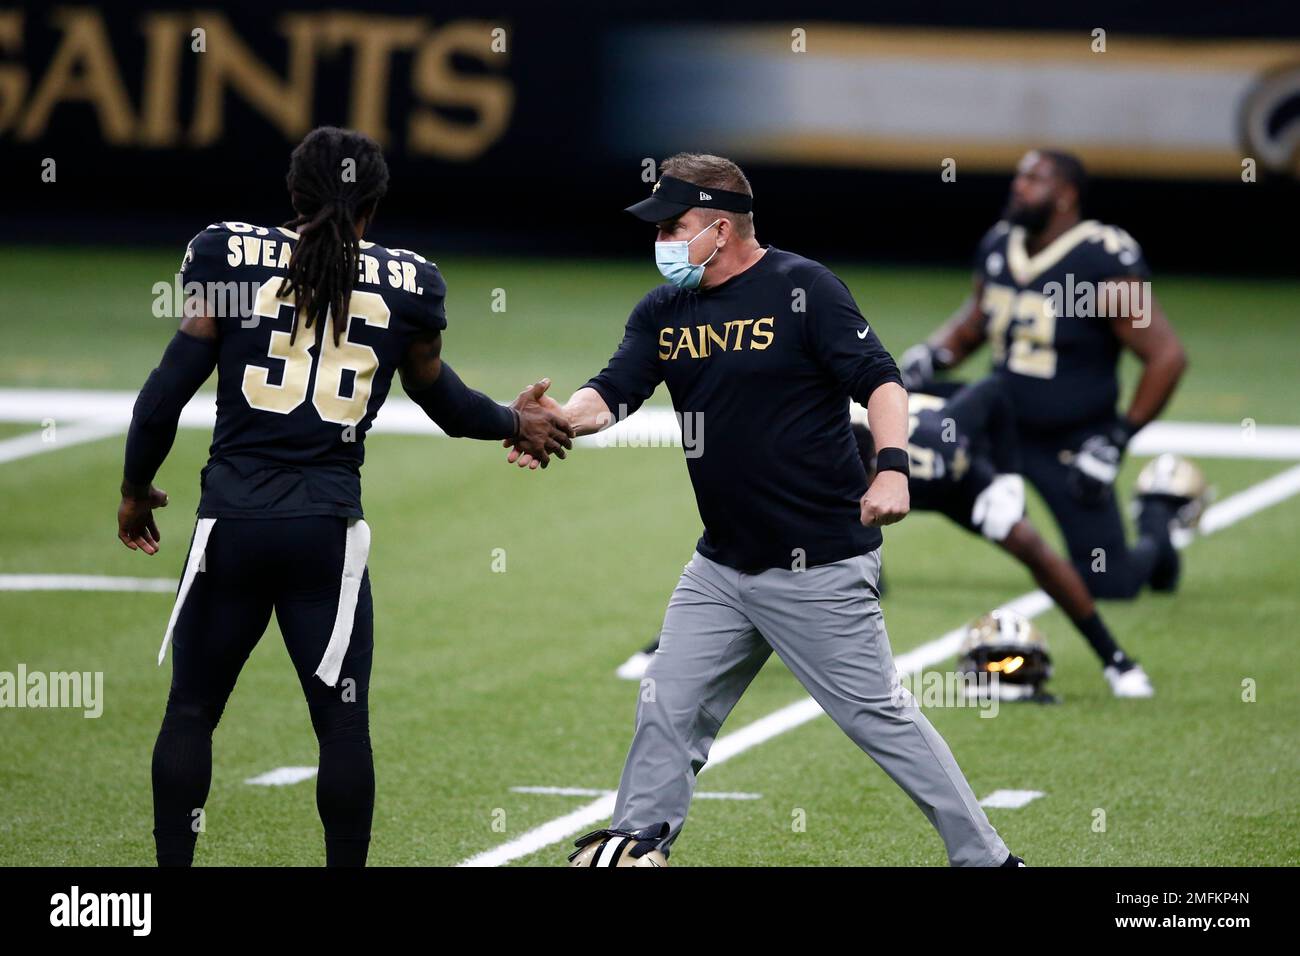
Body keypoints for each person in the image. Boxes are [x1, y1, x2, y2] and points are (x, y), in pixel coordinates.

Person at [510, 153, 1020, 867]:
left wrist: (893, 468)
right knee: (668, 705)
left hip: (819, 560)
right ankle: (637, 846)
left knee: (880, 720)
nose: (661, 240)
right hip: (721, 563)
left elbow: (882, 383)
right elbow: (614, 390)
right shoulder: (664, 309)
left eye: (674, 225)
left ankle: (988, 860)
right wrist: (560, 418)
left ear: (721, 228)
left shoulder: (803, 288)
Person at [117, 126, 572, 867]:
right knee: (342, 727)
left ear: (292, 195)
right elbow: (447, 404)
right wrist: (515, 422)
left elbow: (163, 396)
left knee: (192, 712)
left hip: (231, 522)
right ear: (375, 206)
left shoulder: (224, 255)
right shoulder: (411, 282)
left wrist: (136, 491)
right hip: (325, 533)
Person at [898, 149, 1189, 598]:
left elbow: (1167, 357)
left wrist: (1117, 437)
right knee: (881, 431)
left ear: (1066, 195)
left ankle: (1157, 524)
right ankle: (851, 560)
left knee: (1110, 583)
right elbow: (978, 318)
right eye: (1019, 176)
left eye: (1034, 179)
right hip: (996, 423)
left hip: (1068, 438)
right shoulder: (1001, 242)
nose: (1019, 186)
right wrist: (935, 353)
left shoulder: (1101, 258)